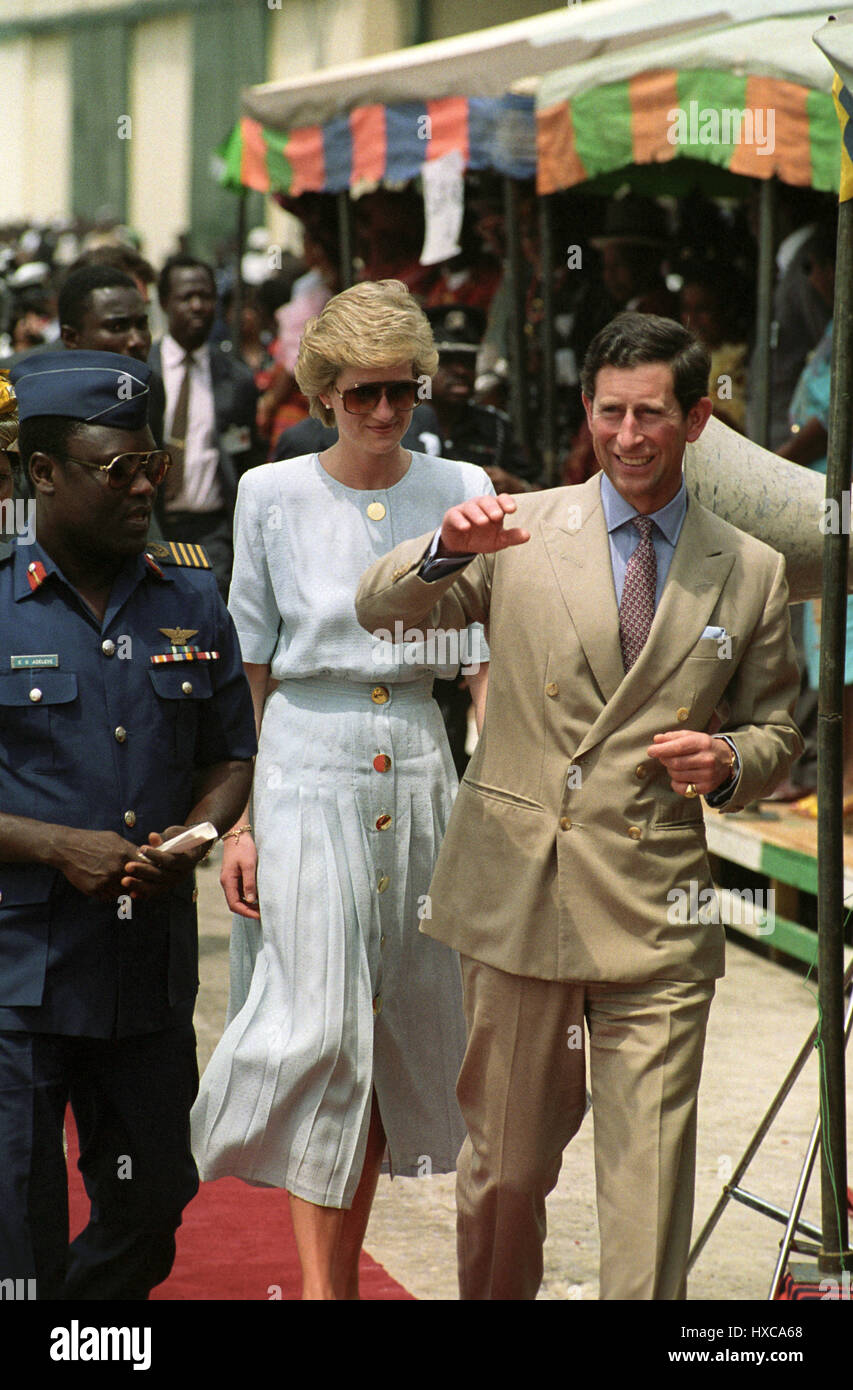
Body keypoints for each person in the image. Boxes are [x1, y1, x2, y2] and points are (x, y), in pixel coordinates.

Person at [355, 311, 802, 1301]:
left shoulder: (754, 567)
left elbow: (782, 731)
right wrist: (436, 550)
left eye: (652, 414)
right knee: (507, 1176)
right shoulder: (516, 531)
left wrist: (728, 756)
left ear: (697, 420)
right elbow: (379, 609)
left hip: (656, 915)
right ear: (586, 412)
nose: (629, 435)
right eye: (610, 413)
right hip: (521, 902)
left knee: (648, 1196)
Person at [190, 279, 493, 1301]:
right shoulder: (271, 493)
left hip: (416, 751)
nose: (381, 412)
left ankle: (339, 1290)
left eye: (400, 391)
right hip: (305, 758)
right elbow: (251, 667)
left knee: (391, 1023)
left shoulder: (459, 479)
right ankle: (325, 1291)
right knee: (320, 1029)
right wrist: (246, 825)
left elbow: (487, 650)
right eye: (360, 392)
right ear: (323, 390)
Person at [0, 349, 256, 1299]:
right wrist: (55, 846)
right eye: (119, 471)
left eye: (154, 463)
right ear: (44, 473)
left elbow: (232, 753)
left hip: (143, 972)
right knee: (16, 1233)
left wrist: (194, 838)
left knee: (152, 1202)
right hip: (20, 972)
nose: (146, 485)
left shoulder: (188, 595)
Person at [149, 255, 263, 598]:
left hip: (213, 530)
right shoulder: (141, 371)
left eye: (206, 296)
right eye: (186, 297)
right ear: (166, 302)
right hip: (154, 524)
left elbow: (246, 457)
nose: (198, 306)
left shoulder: (236, 377)